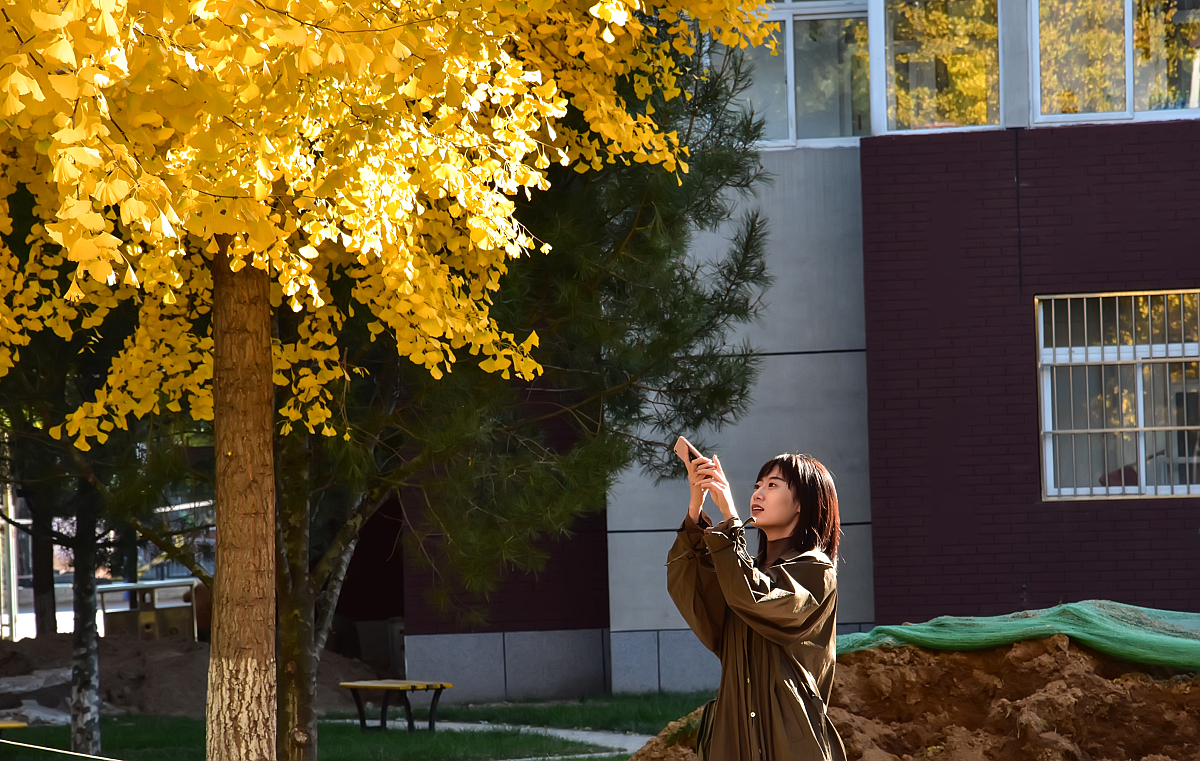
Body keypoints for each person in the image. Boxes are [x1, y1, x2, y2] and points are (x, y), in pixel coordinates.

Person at [666, 447, 846, 761]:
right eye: (757, 485)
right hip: (733, 740)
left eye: (773, 485)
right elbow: (690, 588)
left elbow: (756, 598)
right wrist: (696, 507)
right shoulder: (741, 570)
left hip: (789, 745)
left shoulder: (816, 572)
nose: (758, 493)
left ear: (802, 503)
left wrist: (731, 522)